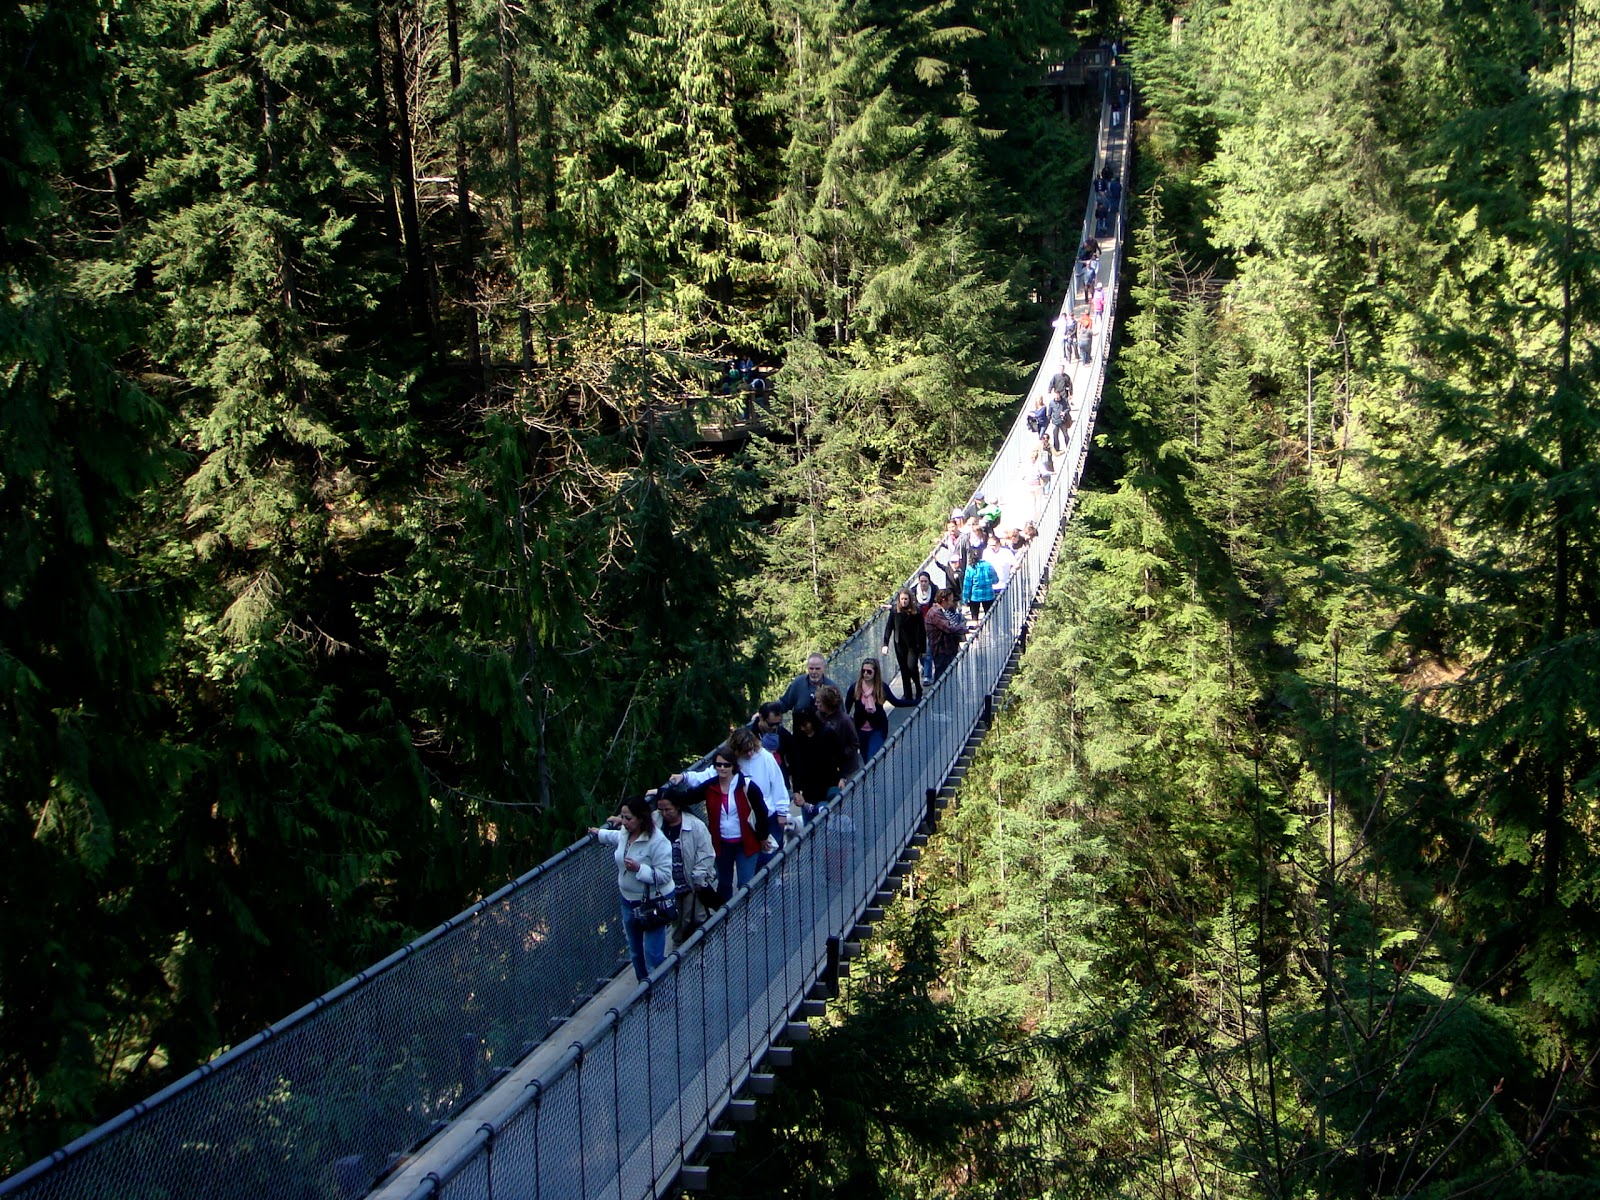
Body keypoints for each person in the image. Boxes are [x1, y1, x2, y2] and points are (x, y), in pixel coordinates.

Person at [587, 796, 674, 981]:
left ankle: (663, 987)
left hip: (653, 903)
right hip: (628, 901)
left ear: (641, 818)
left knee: (652, 954)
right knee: (635, 952)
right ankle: (644, 987)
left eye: (628, 818)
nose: (624, 822)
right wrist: (599, 833)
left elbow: (665, 875)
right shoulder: (625, 833)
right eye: (622, 817)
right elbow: (615, 837)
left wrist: (639, 869)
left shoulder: (658, 841)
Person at [673, 725, 790, 856]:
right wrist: (684, 777)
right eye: (745, 751)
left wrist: (782, 812)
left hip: (767, 816)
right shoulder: (729, 762)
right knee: (756, 860)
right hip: (746, 821)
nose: (749, 754)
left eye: (751, 749)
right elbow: (707, 776)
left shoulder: (766, 757)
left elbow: (778, 783)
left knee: (771, 857)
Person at [671, 748, 769, 902]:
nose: (722, 768)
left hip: (746, 843)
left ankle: (747, 913)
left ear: (734, 766)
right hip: (721, 844)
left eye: (726, 765)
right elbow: (688, 797)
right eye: (718, 765)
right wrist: (661, 793)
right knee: (724, 884)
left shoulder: (747, 786)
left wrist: (763, 836)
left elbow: (762, 812)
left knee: (745, 884)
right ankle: (726, 915)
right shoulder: (711, 786)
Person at [651, 788, 716, 946]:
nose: (664, 814)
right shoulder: (655, 821)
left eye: (668, 810)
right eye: (661, 810)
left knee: (692, 918)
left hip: (690, 884)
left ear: (677, 806)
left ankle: (695, 949)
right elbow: (635, 821)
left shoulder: (695, 826)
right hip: (668, 885)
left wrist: (699, 878)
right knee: (675, 919)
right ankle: (679, 949)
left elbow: (706, 853)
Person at [845, 657, 910, 763]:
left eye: (869, 671)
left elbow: (896, 702)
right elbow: (846, 710)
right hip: (860, 730)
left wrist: (918, 702)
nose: (865, 674)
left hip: (878, 728)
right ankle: (873, 774)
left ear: (875, 672)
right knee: (866, 760)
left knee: (872, 758)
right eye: (863, 671)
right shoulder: (855, 688)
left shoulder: (881, 688)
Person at [787, 708, 846, 819]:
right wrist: (796, 791)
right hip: (809, 792)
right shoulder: (796, 741)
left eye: (805, 725)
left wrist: (842, 777)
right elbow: (795, 767)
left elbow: (840, 756)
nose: (803, 729)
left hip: (829, 785)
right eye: (800, 726)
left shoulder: (827, 734)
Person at [881, 589, 927, 702]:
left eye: (906, 599)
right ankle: (908, 695)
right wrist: (885, 644)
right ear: (899, 600)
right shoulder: (895, 611)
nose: (904, 601)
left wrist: (923, 650)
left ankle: (918, 688)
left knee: (912, 667)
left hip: (913, 645)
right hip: (900, 645)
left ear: (910, 600)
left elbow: (922, 631)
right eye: (902, 599)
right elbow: (889, 628)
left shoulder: (916, 612)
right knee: (904, 669)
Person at [814, 684, 862, 777]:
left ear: (827, 703)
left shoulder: (845, 720)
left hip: (847, 769)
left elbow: (855, 743)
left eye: (819, 702)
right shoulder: (818, 716)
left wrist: (840, 754)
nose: (816, 704)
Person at [924, 588, 966, 680]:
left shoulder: (942, 611)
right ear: (943, 600)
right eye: (950, 600)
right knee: (942, 678)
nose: (951, 603)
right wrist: (965, 629)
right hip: (941, 651)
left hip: (947, 650)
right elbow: (949, 628)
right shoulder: (935, 613)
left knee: (948, 678)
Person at [962, 538, 998, 622]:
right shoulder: (988, 565)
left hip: (974, 596)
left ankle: (976, 628)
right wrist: (989, 582)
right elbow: (996, 580)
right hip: (989, 595)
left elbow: (967, 585)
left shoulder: (970, 568)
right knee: (990, 618)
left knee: (974, 618)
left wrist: (965, 599)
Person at [1047, 381, 1072, 453]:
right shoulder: (1051, 403)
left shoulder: (1064, 401)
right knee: (1055, 436)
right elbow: (1049, 413)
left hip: (1062, 421)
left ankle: (1068, 447)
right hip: (1055, 421)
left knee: (1065, 434)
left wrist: (1064, 412)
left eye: (1057, 395)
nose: (1056, 397)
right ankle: (1056, 449)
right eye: (1055, 396)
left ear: (1059, 395)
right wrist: (1048, 421)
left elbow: (1068, 408)